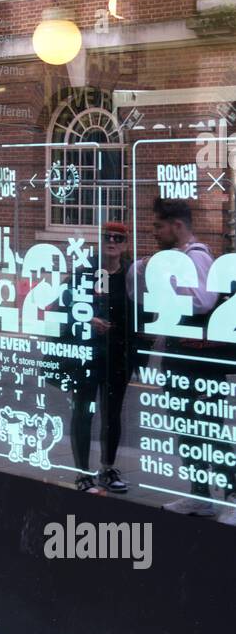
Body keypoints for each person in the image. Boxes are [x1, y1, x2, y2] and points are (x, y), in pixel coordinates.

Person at [128, 197, 221, 516]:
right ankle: (200, 494)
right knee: (185, 428)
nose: (154, 232)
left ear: (176, 226)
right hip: (177, 356)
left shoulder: (197, 257)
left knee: (212, 430)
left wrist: (165, 274)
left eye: (158, 226)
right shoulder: (169, 258)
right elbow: (140, 296)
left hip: (201, 361)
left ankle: (232, 495)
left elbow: (203, 301)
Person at [70, 221, 136, 493]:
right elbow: (68, 305)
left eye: (118, 238)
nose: (112, 241)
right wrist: (89, 319)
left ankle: (107, 468)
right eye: (107, 237)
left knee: (112, 414)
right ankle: (82, 473)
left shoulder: (131, 275)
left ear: (125, 244)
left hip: (118, 354)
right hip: (88, 352)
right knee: (83, 410)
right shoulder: (85, 272)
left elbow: (138, 314)